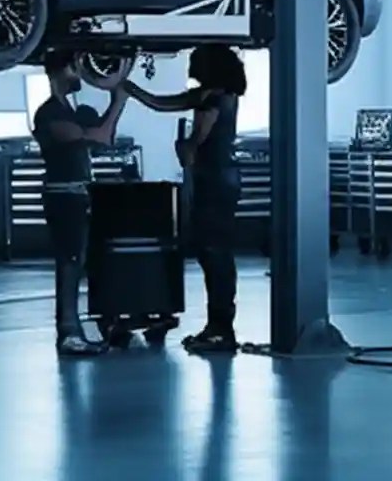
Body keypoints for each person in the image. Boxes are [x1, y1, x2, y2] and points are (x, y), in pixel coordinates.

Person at [123, 45, 246, 353]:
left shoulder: (212, 100)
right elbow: (162, 103)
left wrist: (185, 147)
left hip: (213, 182)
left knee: (213, 254)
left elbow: (193, 145)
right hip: (224, 180)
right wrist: (132, 90)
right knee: (216, 253)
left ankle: (220, 329)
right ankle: (218, 326)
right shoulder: (218, 96)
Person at [31, 50, 129, 356]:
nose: (81, 76)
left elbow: (105, 138)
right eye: (76, 68)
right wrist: (118, 102)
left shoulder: (75, 112)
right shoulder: (48, 113)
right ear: (60, 71)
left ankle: (107, 322)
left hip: (82, 194)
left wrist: (117, 103)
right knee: (70, 262)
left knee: (92, 259)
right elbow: (98, 136)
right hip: (63, 196)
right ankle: (69, 334)